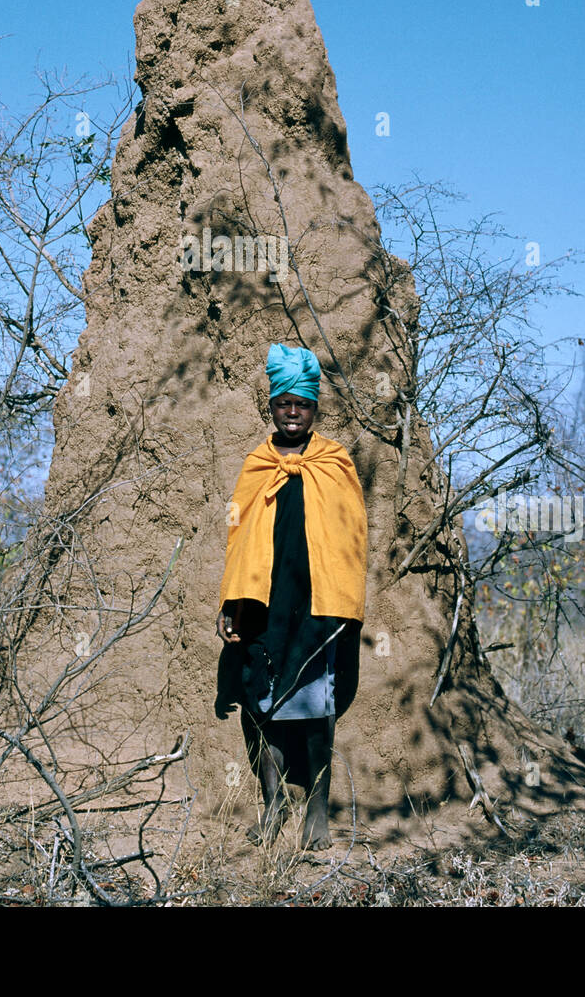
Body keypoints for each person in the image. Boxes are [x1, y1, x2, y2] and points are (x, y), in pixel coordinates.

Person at [214, 343, 368, 850]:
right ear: (272, 407)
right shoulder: (257, 464)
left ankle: (318, 809)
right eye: (284, 404)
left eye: (302, 404)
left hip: (316, 604)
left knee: (314, 704)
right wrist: (231, 601)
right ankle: (275, 803)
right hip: (263, 606)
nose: (293, 412)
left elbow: (352, 539)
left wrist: (345, 602)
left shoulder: (334, 462)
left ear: (315, 409)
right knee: (260, 706)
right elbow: (238, 539)